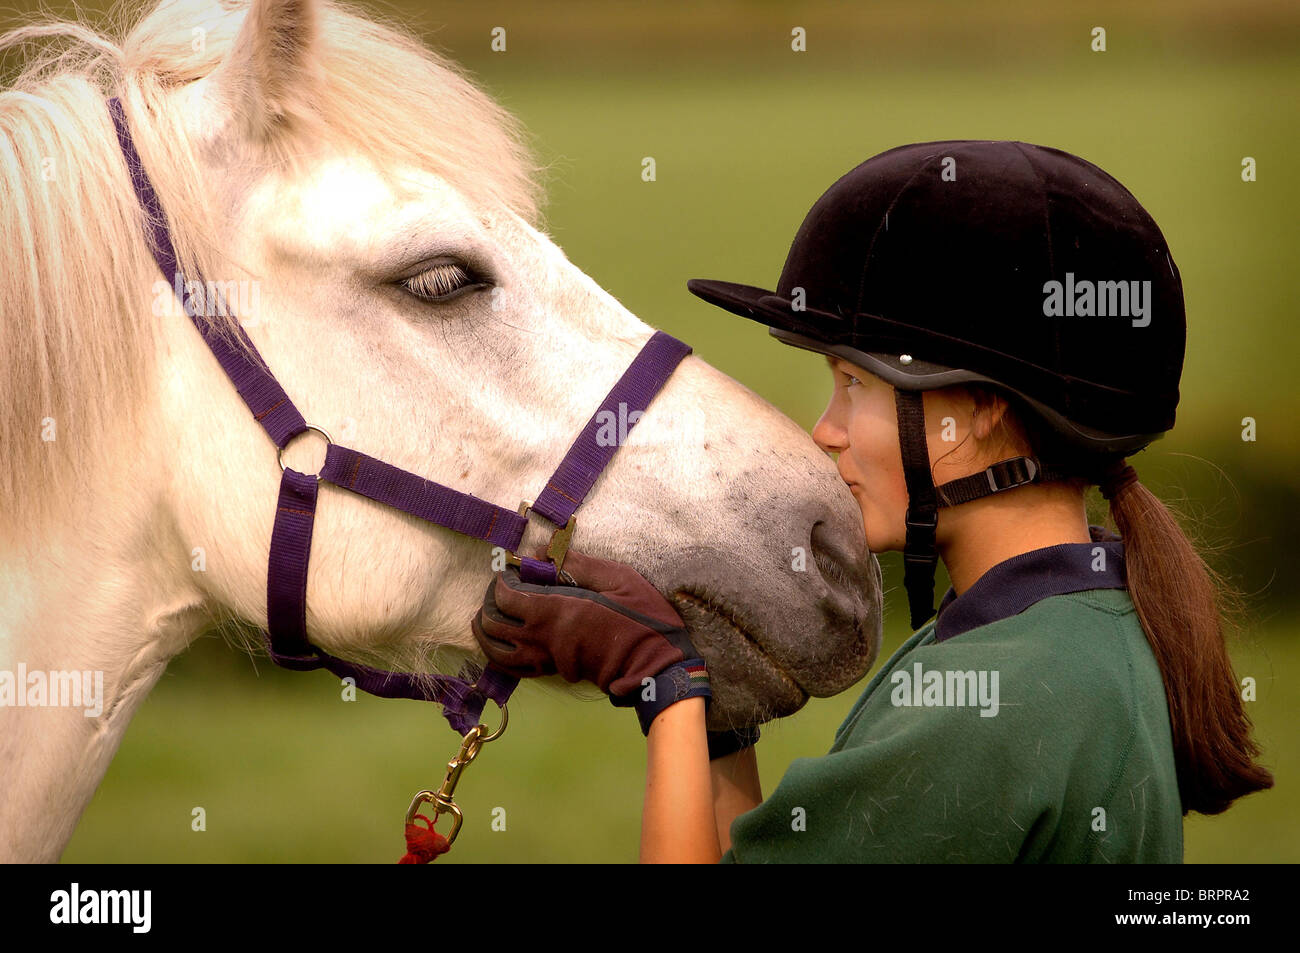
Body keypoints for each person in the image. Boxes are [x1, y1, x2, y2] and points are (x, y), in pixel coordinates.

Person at [470, 141, 1274, 863]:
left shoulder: (990, 705)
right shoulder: (1078, 629)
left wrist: (663, 689)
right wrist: (709, 707)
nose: (825, 430)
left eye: (854, 384)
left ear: (976, 413)